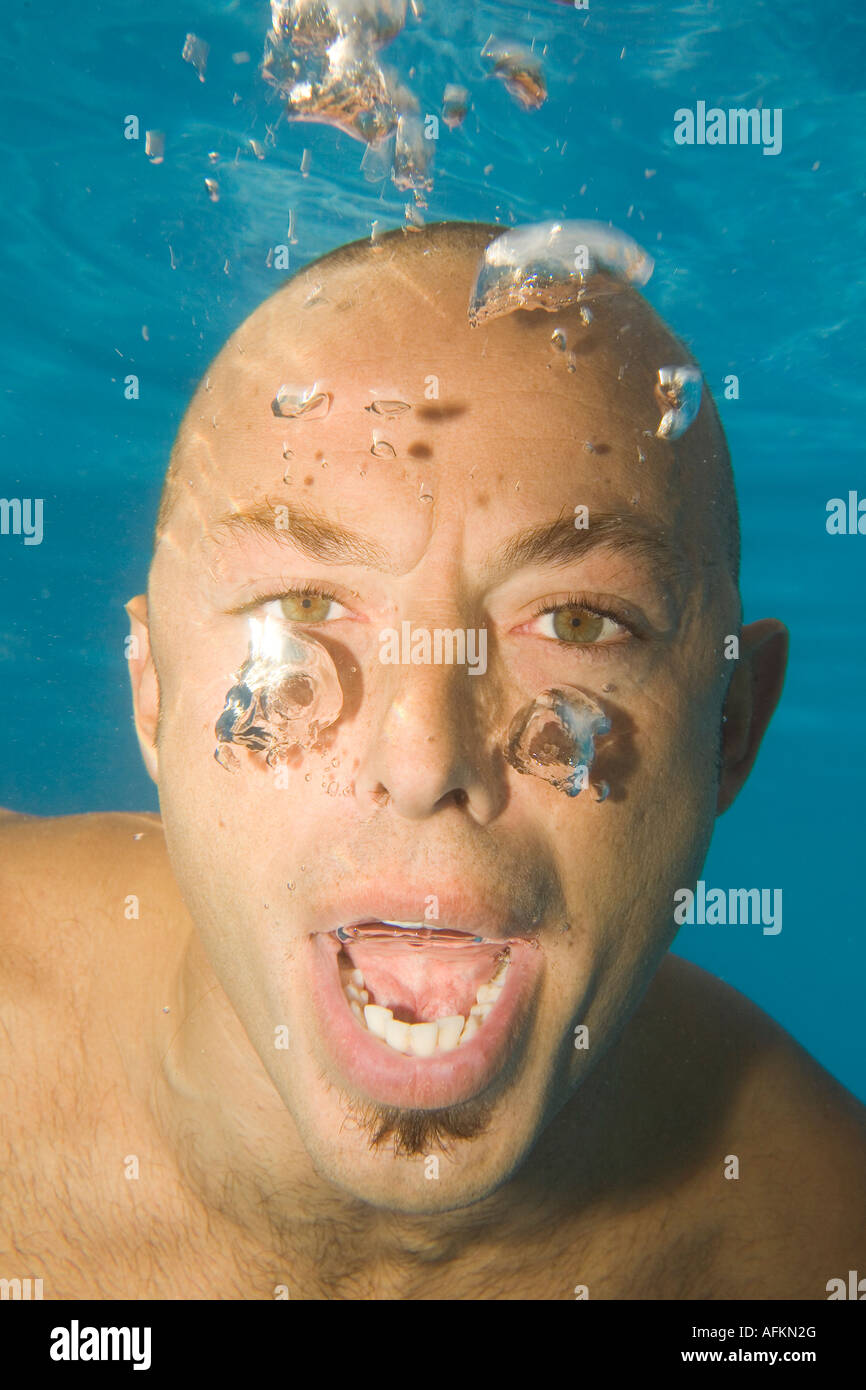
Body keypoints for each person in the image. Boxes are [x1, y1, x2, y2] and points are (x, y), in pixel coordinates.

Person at [1, 221, 863, 1300]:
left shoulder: (820, 1251)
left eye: (580, 623)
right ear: (155, 694)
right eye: (303, 607)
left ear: (729, 724)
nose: (422, 759)